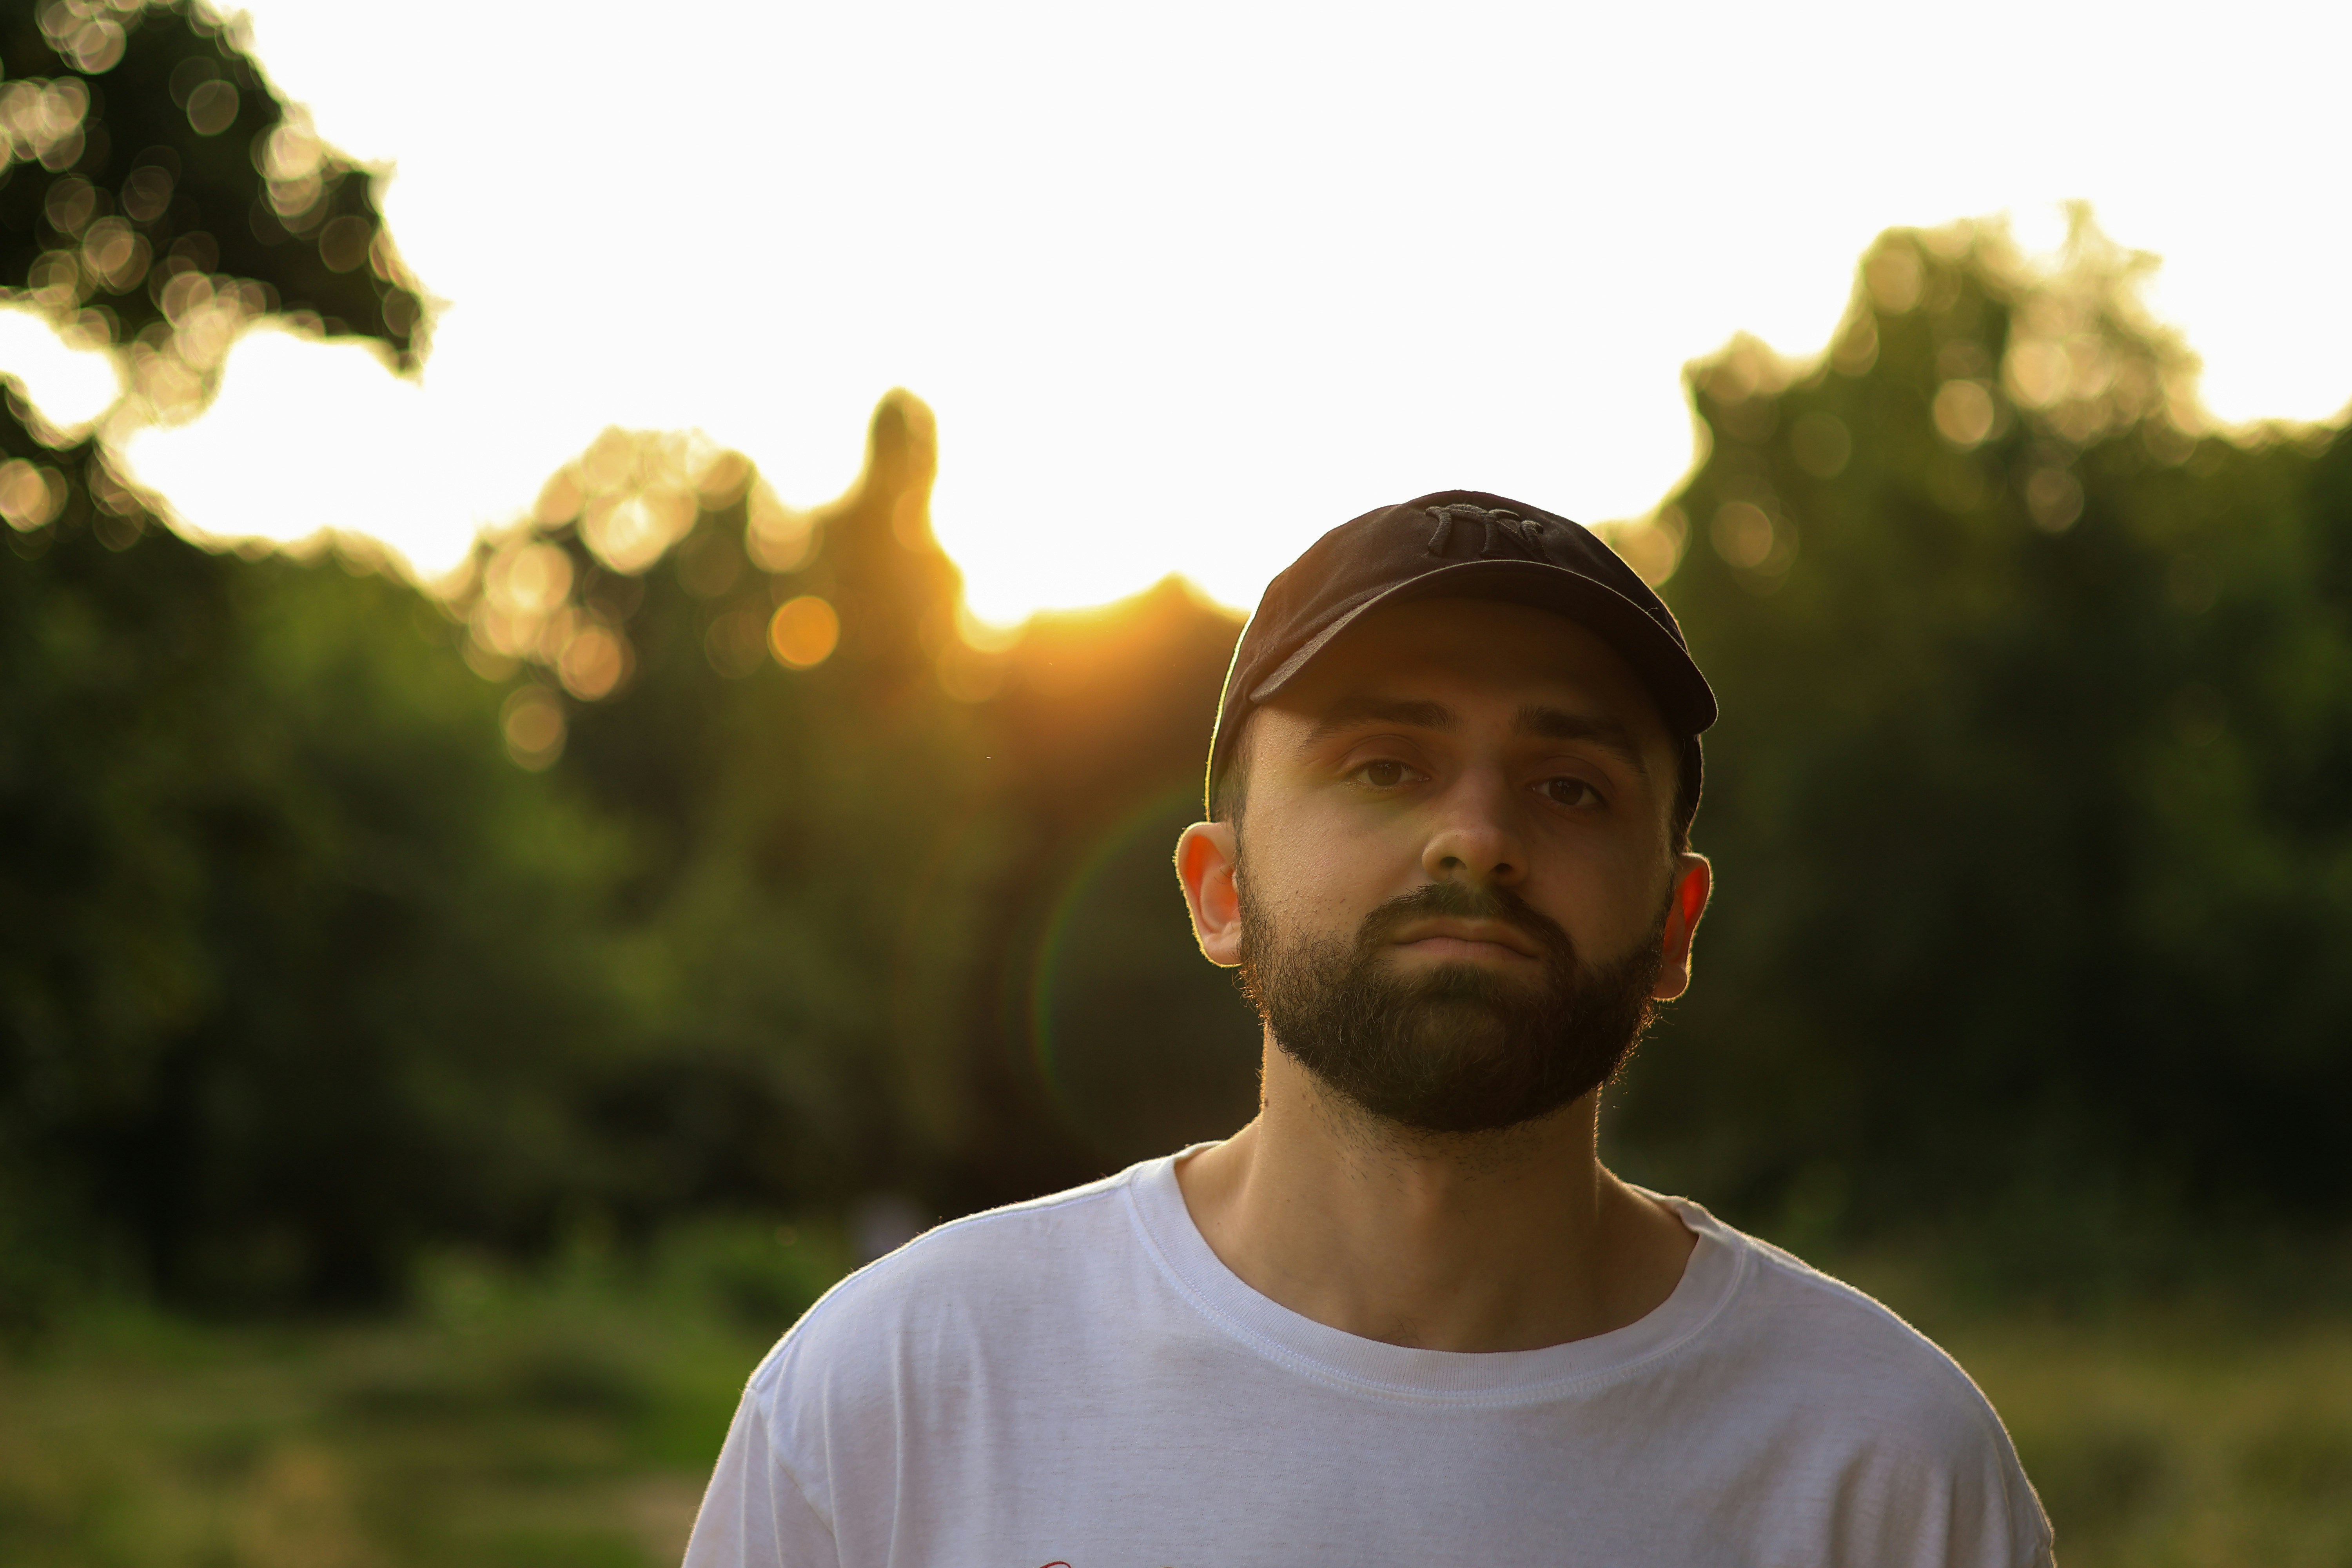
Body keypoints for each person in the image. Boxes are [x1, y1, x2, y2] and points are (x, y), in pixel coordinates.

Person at [683, 490, 2054, 1567]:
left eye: (1570, 788)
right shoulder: (896, 1400)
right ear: (1221, 892)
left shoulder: (1887, 1470)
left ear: (1678, 928)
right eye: (1383, 766)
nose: (1477, 837)